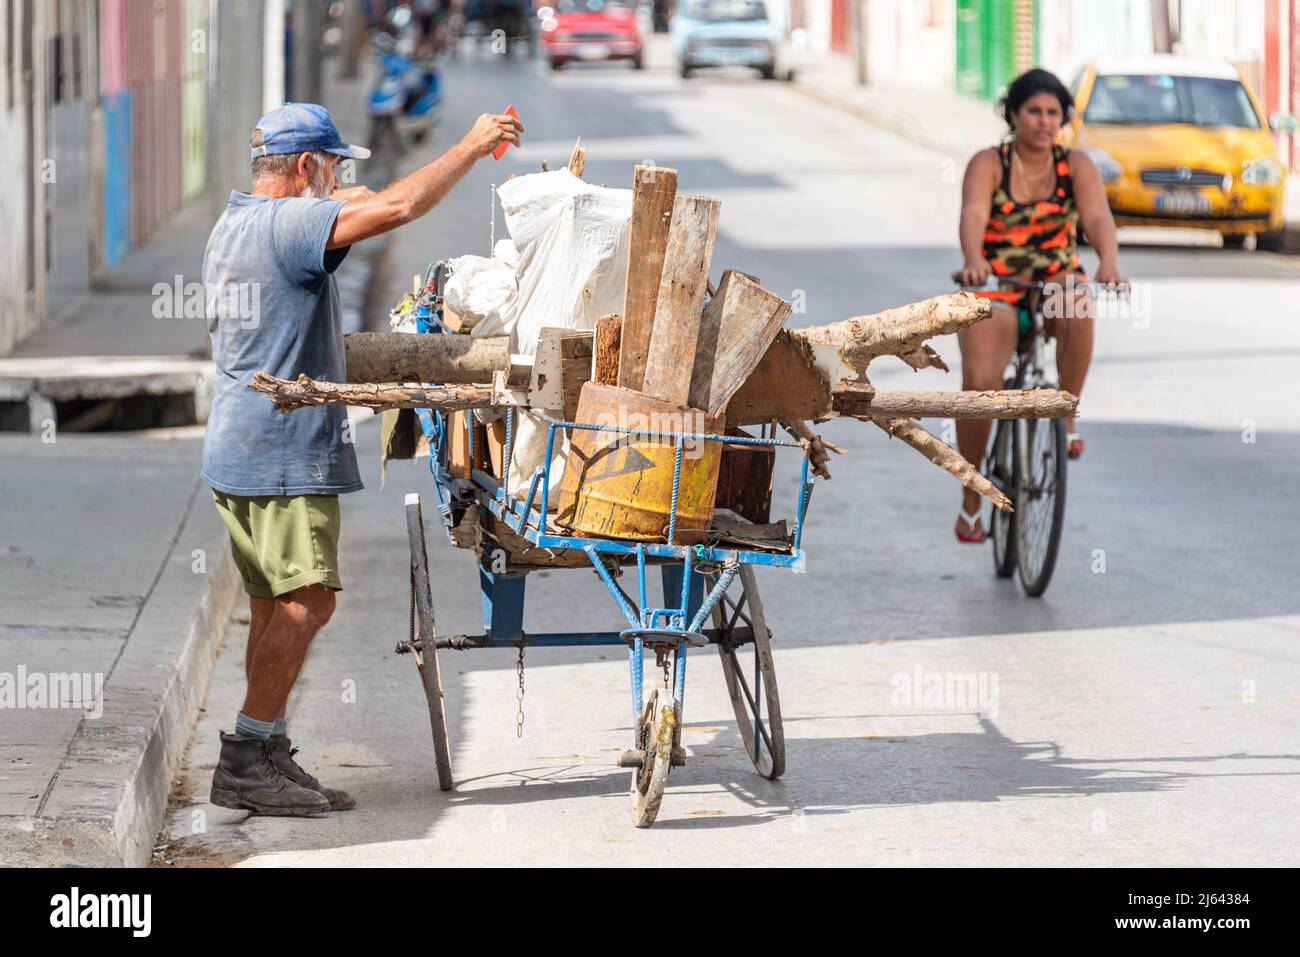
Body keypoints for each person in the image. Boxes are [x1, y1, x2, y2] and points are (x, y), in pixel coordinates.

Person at [202, 102, 522, 815]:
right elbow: (400, 204)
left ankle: (269, 748)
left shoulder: (241, 220)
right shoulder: (291, 227)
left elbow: (352, 205)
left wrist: (344, 194)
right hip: (283, 447)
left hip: (240, 443)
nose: (339, 182)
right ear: (306, 166)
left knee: (271, 603)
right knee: (308, 602)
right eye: (332, 168)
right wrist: (471, 145)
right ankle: (248, 757)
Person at [953, 67, 1126, 543]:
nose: (1044, 121)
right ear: (1013, 114)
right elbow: (973, 213)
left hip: (1055, 281)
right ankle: (971, 499)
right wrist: (973, 261)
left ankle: (1066, 413)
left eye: (1053, 112)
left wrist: (1108, 263)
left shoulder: (1077, 165)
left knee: (1077, 299)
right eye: (1034, 111)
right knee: (981, 387)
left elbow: (1096, 217)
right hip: (999, 284)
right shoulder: (989, 162)